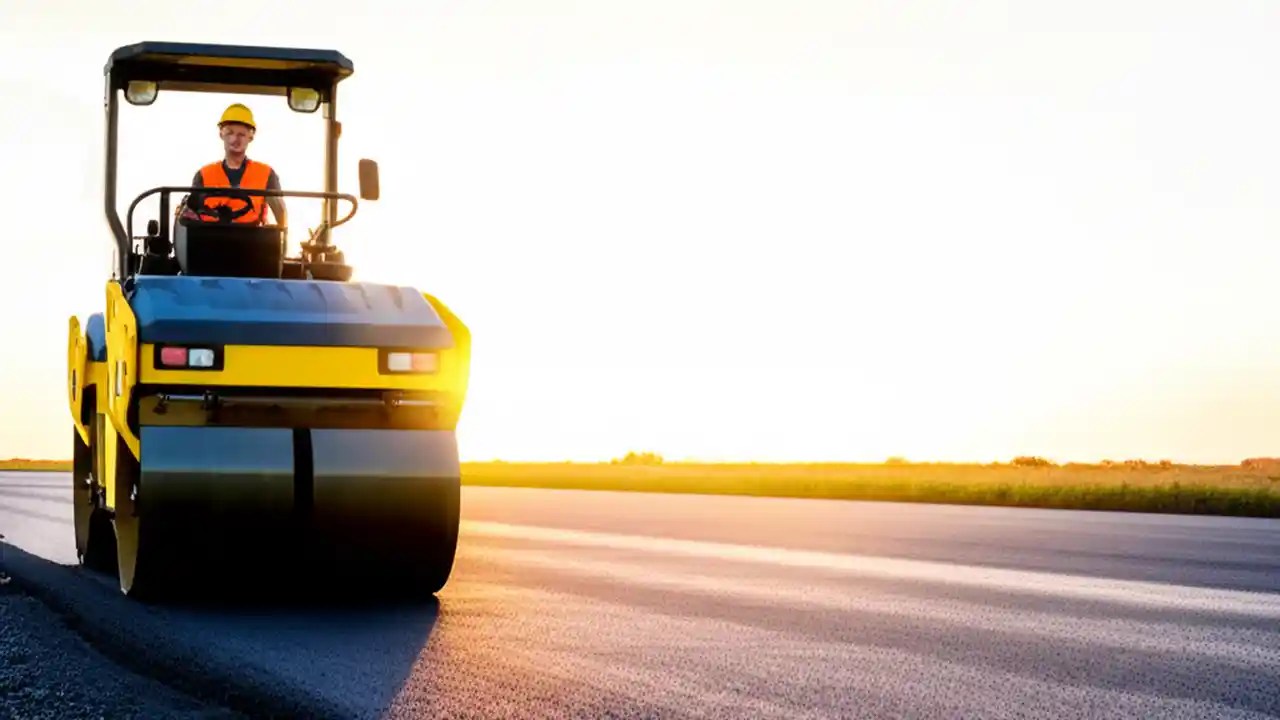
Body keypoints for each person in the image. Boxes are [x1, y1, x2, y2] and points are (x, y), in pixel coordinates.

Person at [186, 103, 287, 226]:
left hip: (253, 242)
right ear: (221, 134)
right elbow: (190, 216)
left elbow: (281, 216)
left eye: (241, 134)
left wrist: (278, 236)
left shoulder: (266, 173)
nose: (235, 139)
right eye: (230, 133)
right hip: (210, 241)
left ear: (251, 137)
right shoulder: (203, 175)